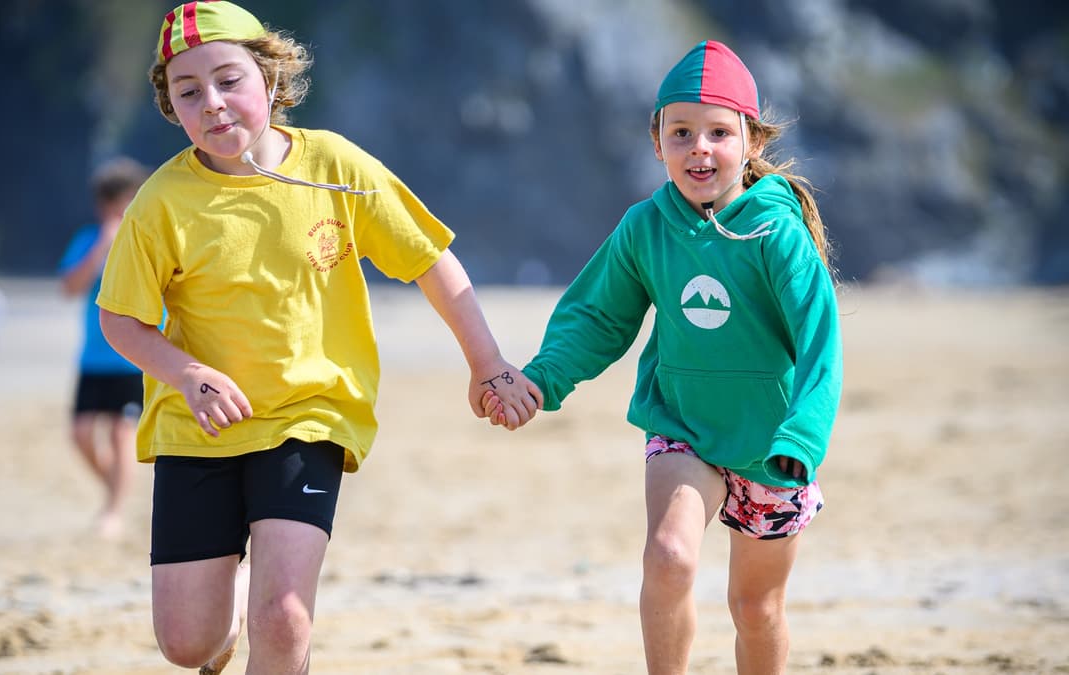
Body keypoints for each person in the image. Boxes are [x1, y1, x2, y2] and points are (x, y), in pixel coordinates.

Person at [96, 3, 541, 673]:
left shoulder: (333, 164)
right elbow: (120, 319)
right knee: (188, 643)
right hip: (201, 427)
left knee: (283, 619)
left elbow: (430, 260)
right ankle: (233, 603)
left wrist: (488, 363)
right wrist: (187, 374)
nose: (212, 103)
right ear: (170, 105)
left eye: (228, 80)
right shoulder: (161, 201)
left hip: (310, 414)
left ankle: (266, 599)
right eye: (188, 92)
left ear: (270, 76)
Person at [485, 40, 843, 674]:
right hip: (682, 426)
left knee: (756, 609)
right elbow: (599, 317)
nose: (699, 147)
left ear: (751, 141)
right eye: (681, 133)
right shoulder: (645, 227)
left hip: (773, 444)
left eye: (717, 132)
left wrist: (802, 436)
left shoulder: (776, 233)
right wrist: (542, 378)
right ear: (657, 142)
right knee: (669, 557)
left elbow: (821, 339)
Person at [58, 156, 152, 539]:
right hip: (93, 357)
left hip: (135, 356)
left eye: (126, 202)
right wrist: (102, 243)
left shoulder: (148, 238)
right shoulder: (88, 239)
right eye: (111, 204)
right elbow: (70, 288)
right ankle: (115, 491)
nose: (118, 212)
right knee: (81, 434)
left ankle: (113, 511)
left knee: (120, 433)